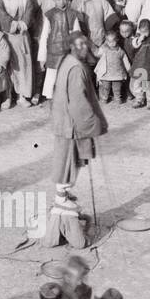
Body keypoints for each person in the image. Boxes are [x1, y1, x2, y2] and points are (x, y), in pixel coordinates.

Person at [50, 33, 108, 220]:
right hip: (71, 123)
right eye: (80, 44)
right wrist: (94, 123)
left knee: (72, 158)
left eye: (85, 44)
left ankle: (64, 193)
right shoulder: (75, 68)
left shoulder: (68, 61)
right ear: (72, 47)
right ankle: (61, 196)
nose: (84, 47)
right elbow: (78, 102)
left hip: (66, 120)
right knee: (68, 159)